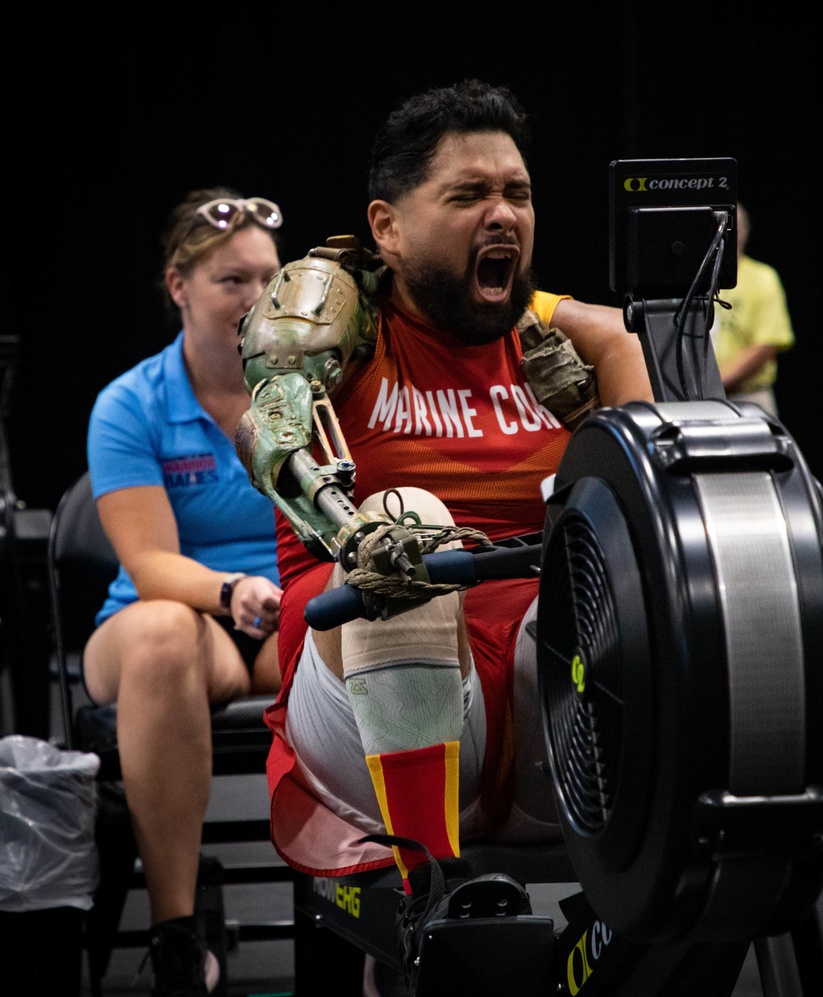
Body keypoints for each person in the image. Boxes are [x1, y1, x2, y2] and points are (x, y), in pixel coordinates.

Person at [245, 79, 653, 994]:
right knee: (410, 525)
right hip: (369, 710)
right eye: (469, 196)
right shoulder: (337, 339)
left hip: (558, 724)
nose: (502, 214)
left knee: (644, 588)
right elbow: (266, 442)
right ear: (387, 225)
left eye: (518, 192)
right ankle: (422, 883)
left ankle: (663, 862)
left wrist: (619, 347)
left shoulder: (565, 345)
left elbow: (654, 534)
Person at [84, 187, 286, 997]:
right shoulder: (128, 404)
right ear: (180, 287)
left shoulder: (309, 393)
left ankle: (381, 906)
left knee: (369, 627)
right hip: (158, 621)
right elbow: (148, 561)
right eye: (233, 281)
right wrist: (230, 586)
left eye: (270, 280)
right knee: (166, 629)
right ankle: (176, 939)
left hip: (277, 618)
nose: (258, 300)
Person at [711, 201, 795, 416]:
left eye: (734, 228)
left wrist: (718, 382)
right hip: (698, 399)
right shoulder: (696, 282)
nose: (728, 236)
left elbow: (766, 345)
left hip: (747, 397)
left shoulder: (762, 278)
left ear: (745, 232)